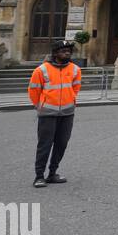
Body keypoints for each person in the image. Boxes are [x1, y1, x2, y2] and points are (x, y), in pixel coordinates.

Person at [27, 38, 81, 188]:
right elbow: (34, 90)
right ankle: (39, 176)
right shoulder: (41, 70)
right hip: (47, 112)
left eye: (69, 51)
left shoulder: (75, 69)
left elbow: (76, 88)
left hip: (67, 112)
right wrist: (40, 106)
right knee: (45, 144)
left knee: (61, 143)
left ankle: (52, 173)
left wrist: (71, 100)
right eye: (63, 51)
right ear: (55, 53)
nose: (67, 53)